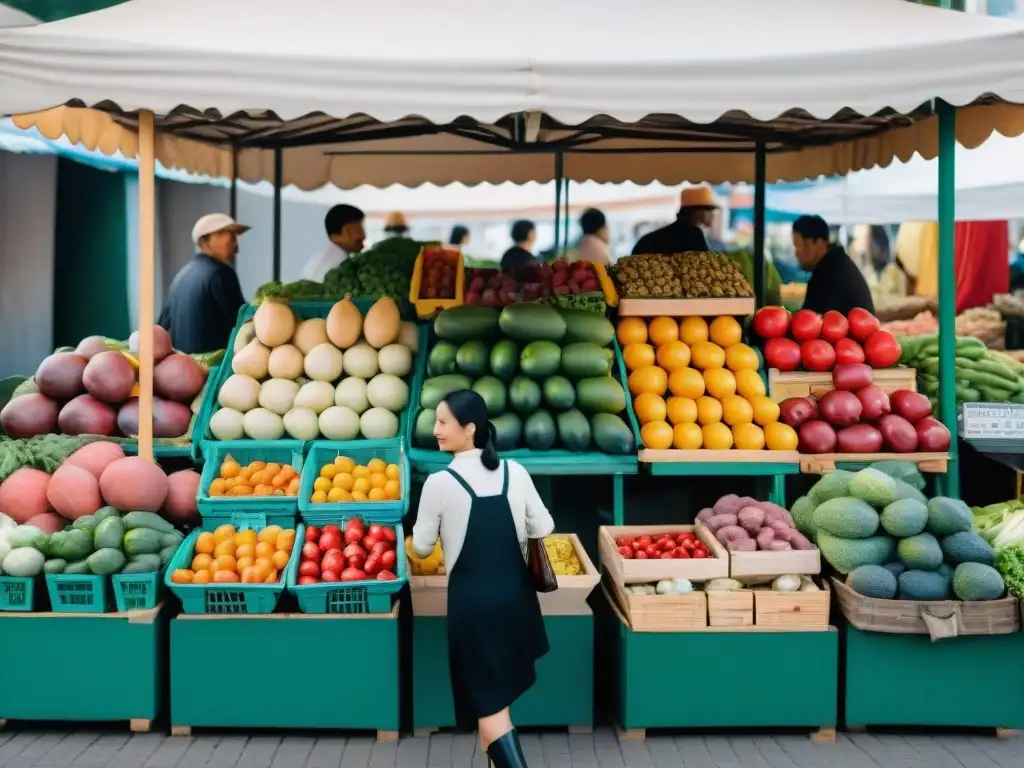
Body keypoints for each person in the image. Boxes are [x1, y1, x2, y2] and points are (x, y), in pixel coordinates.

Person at [412, 390, 554, 768]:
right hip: (515, 601)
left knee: (491, 709)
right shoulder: (515, 472)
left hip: (473, 608)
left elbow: (423, 548)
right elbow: (544, 525)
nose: (436, 429)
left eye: (443, 422)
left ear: (469, 429)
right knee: (495, 699)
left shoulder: (439, 483)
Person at [158, 214, 250, 354]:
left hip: (181, 365)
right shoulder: (221, 273)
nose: (234, 243)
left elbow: (162, 326)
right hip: (211, 368)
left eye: (234, 236)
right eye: (226, 234)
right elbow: (242, 323)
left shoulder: (182, 275)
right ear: (204, 241)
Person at [792, 214, 875, 316]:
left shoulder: (828, 274)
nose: (796, 253)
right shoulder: (837, 263)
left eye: (798, 245)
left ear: (818, 242)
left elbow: (809, 321)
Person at [631, 185, 717, 255]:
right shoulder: (694, 235)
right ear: (698, 212)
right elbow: (704, 268)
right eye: (710, 209)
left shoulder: (648, 240)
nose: (713, 215)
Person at [300, 204, 365, 282]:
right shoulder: (337, 264)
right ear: (348, 231)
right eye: (360, 229)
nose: (363, 236)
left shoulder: (324, 256)